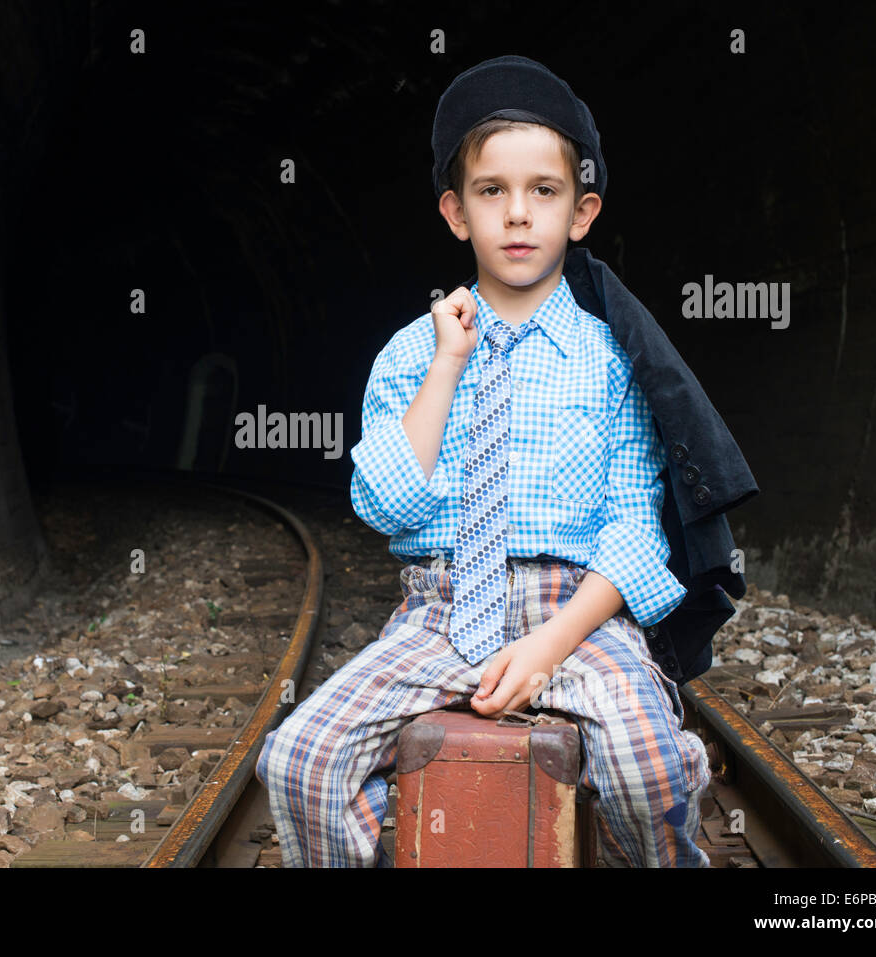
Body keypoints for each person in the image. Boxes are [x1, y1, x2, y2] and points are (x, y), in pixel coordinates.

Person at [255, 54, 712, 868]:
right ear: (456, 212)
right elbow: (384, 504)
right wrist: (447, 364)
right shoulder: (409, 355)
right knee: (299, 758)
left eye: (544, 190)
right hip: (441, 612)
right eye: (491, 191)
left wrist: (547, 647)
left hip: (578, 616)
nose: (518, 215)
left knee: (649, 766)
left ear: (582, 211)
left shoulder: (612, 360)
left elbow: (636, 533)